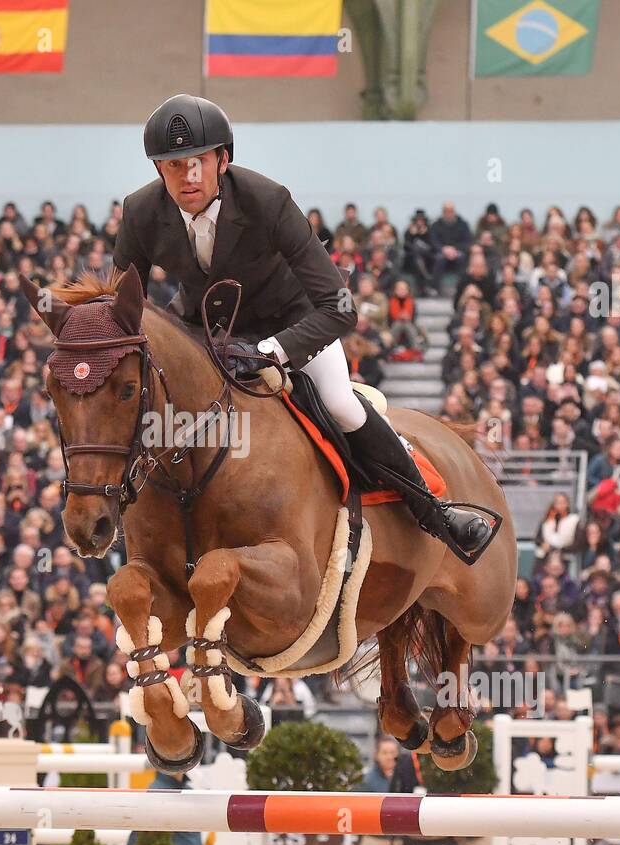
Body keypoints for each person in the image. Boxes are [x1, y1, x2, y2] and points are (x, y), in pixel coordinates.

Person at [111, 94, 491, 561]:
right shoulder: (141, 212)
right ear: (158, 170)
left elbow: (340, 305)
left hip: (291, 323)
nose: (188, 178)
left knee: (340, 404)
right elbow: (123, 307)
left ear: (222, 160)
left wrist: (276, 350)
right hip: (209, 329)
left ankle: (435, 512)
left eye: (198, 163)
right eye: (174, 166)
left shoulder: (267, 201)